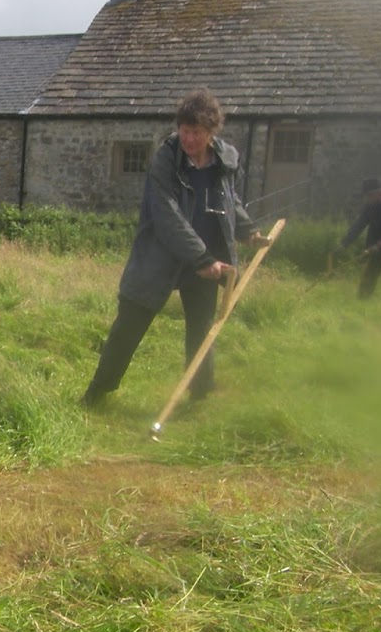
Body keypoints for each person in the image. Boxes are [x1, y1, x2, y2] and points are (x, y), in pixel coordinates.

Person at [81, 88, 267, 408]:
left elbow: (228, 200)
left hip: (206, 262)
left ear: (211, 131)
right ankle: (98, 392)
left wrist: (248, 230)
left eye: (195, 132)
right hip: (161, 256)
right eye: (184, 130)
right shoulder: (165, 160)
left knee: (202, 330)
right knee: (129, 325)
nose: (188, 138)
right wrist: (201, 257)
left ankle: (200, 397)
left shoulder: (223, 160)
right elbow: (167, 215)